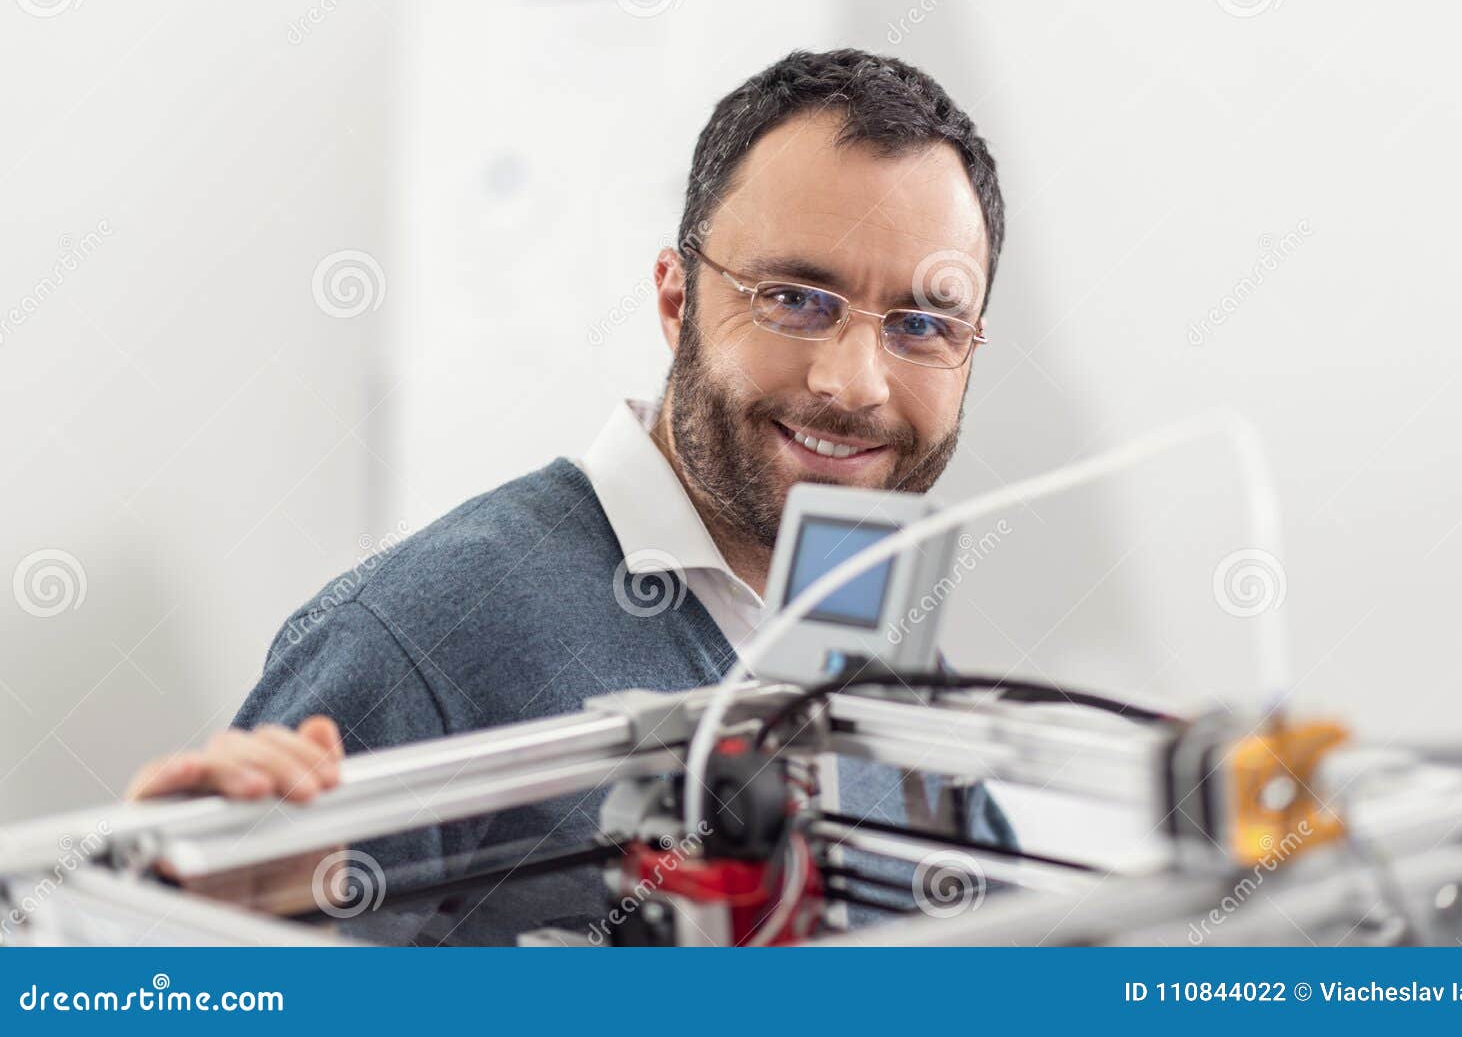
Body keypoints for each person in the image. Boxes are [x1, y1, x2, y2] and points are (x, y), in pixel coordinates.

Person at [124, 48, 1013, 943]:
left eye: (923, 326)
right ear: (677, 301)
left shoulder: (883, 626)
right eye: (793, 298)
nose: (855, 382)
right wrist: (190, 939)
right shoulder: (420, 640)